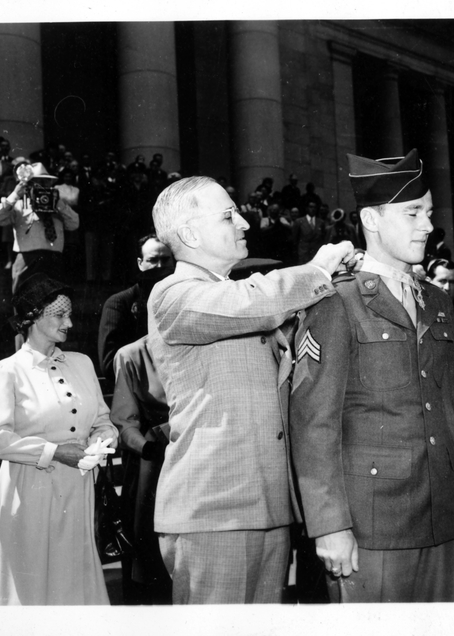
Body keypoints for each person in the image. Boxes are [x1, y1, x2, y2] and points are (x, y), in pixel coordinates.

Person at [147, 176, 355, 604]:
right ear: (189, 233)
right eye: (228, 215)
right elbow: (252, 302)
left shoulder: (235, 297)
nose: (244, 222)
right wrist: (318, 270)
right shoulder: (171, 294)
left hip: (265, 504)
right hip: (213, 509)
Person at [289, 149, 454, 603]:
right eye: (413, 212)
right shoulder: (337, 302)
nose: (428, 225)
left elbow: (453, 409)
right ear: (371, 220)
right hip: (371, 523)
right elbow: (314, 423)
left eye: (430, 213)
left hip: (443, 511)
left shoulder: (436, 302)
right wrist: (329, 523)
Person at [0, 274, 118, 605]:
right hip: (30, 491)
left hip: (78, 486)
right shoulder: (6, 371)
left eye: (69, 314)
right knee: (32, 586)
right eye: (59, 314)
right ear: (33, 317)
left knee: (73, 580)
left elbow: (102, 420)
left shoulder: (82, 363)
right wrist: (54, 452)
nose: (69, 322)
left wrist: (101, 442)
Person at [110, 336, 172, 605]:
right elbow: (124, 423)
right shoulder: (132, 354)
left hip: (200, 456)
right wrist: (148, 447)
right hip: (153, 462)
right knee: (150, 565)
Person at [0, 162, 80, 294]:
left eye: (46, 182)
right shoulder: (20, 205)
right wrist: (15, 195)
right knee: (24, 301)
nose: (42, 186)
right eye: (37, 182)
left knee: (52, 304)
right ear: (28, 185)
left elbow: (74, 224)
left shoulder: (59, 205)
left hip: (53, 259)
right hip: (27, 259)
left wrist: (58, 204)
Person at [98, 234, 175, 383]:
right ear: (140, 263)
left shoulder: (183, 297)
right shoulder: (119, 303)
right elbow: (109, 365)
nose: (160, 267)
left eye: (165, 260)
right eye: (153, 260)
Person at [292, 199, 325, 264]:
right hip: (303, 254)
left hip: (316, 254)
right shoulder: (299, 221)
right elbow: (294, 239)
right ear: (306, 208)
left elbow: (322, 239)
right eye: (311, 207)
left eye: (314, 207)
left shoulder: (321, 222)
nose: (313, 209)